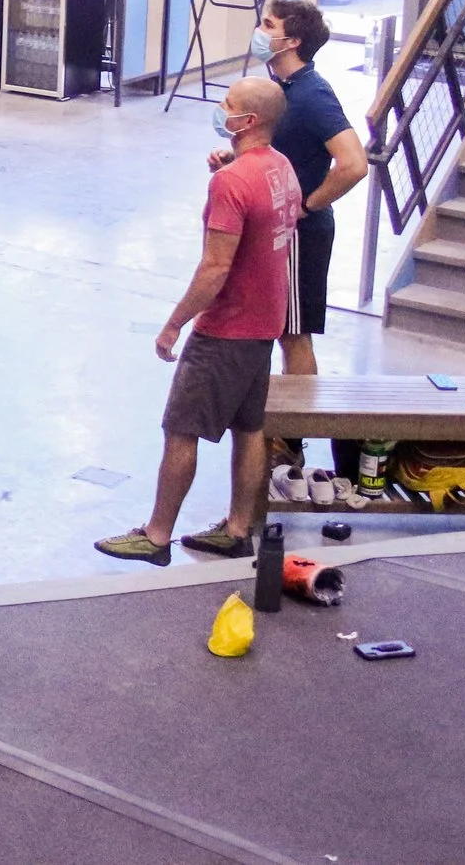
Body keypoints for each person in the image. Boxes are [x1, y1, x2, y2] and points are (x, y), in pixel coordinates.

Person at [95, 76, 300, 566]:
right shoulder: (281, 168)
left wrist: (173, 324)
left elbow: (215, 267)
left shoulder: (230, 183)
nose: (219, 107)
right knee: (249, 428)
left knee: (181, 428)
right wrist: (233, 166)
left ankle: (157, 534)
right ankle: (237, 528)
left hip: (225, 328)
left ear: (247, 121)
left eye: (228, 104)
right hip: (265, 323)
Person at [211, 1, 367, 445]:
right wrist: (232, 159)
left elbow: (353, 163)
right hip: (271, 233)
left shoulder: (313, 94)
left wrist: (307, 206)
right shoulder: (279, 90)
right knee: (274, 328)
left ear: (292, 41)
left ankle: (291, 441)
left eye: (268, 25)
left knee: (293, 335)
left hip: (300, 237)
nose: (259, 31)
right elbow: (280, 153)